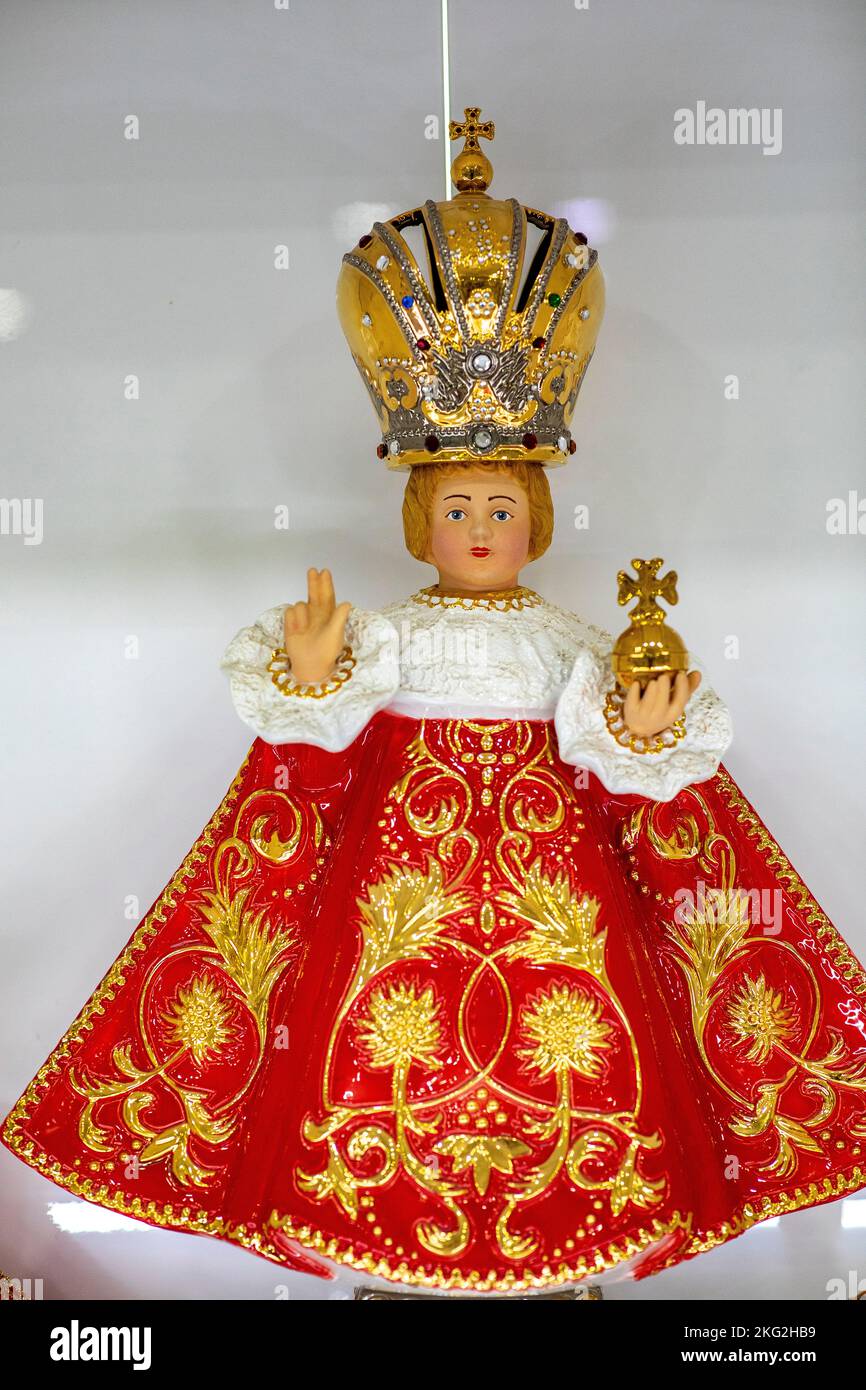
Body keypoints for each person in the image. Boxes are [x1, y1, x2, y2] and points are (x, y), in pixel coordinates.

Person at [3, 110, 864, 1298]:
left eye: (498, 508)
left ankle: (562, 1235)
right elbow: (309, 765)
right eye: (456, 508)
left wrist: (643, 733)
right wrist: (312, 680)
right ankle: (390, 1231)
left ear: (534, 521)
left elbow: (634, 779)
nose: (478, 529)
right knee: (366, 1048)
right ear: (420, 521)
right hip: (394, 906)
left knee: (584, 1054)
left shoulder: (568, 641)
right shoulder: (389, 639)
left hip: (557, 910)